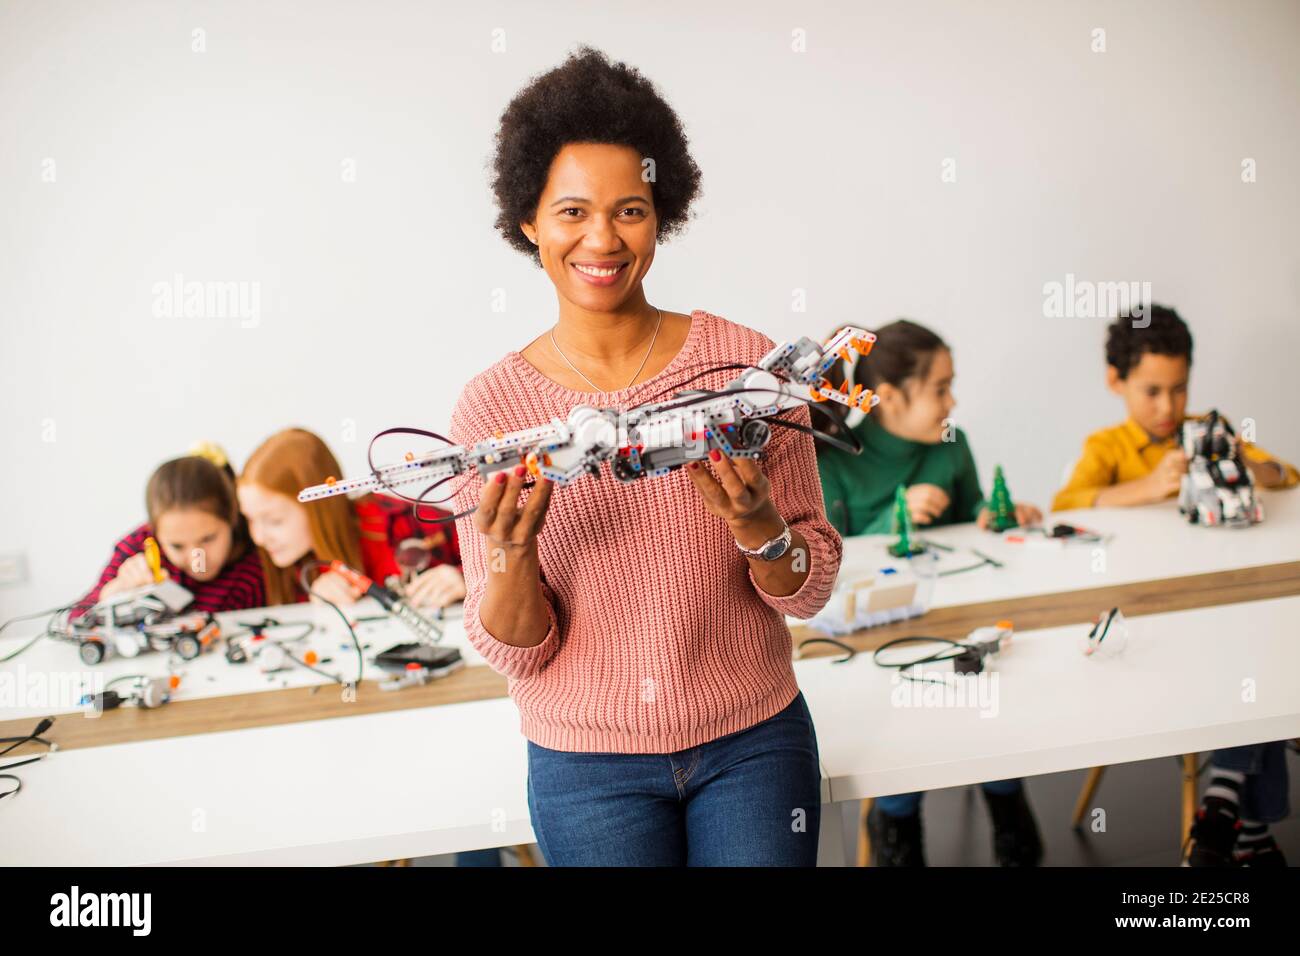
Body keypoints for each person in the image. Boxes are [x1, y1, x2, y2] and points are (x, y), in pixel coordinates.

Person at [449, 45, 841, 866]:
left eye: (630, 209)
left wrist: (759, 524)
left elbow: (806, 590)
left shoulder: (746, 368)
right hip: (584, 767)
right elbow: (519, 649)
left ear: (663, 213)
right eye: (571, 212)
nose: (602, 238)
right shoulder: (490, 411)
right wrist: (511, 556)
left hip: (753, 742)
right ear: (528, 222)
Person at [1053, 304, 1297, 867]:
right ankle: (1253, 828)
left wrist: (1244, 466)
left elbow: (1286, 476)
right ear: (1117, 382)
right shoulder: (1107, 447)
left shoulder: (1209, 429)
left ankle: (1223, 804)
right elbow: (1064, 506)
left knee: (1257, 651)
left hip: (1222, 599)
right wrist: (1143, 487)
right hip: (1151, 617)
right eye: (1152, 391)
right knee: (1250, 664)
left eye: (1179, 390)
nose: (1168, 407)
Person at [817, 319, 1044, 866]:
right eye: (940, 388)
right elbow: (825, 567)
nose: (953, 401)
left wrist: (993, 517)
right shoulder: (832, 458)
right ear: (889, 397)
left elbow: (973, 520)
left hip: (960, 615)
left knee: (994, 685)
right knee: (904, 714)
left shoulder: (952, 445)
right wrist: (893, 524)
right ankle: (896, 812)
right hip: (880, 639)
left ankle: (1005, 793)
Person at [236, 428, 464, 609]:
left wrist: (466, 578)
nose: (259, 538)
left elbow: (496, 547)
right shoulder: (288, 565)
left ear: (319, 505)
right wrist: (320, 604)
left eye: (274, 520)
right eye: (250, 520)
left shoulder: (395, 520)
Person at [72, 442, 265, 617]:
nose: (197, 559)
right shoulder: (139, 549)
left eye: (207, 539)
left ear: (232, 518)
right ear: (155, 532)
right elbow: (74, 621)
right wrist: (115, 592)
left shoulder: (261, 543)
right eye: (177, 546)